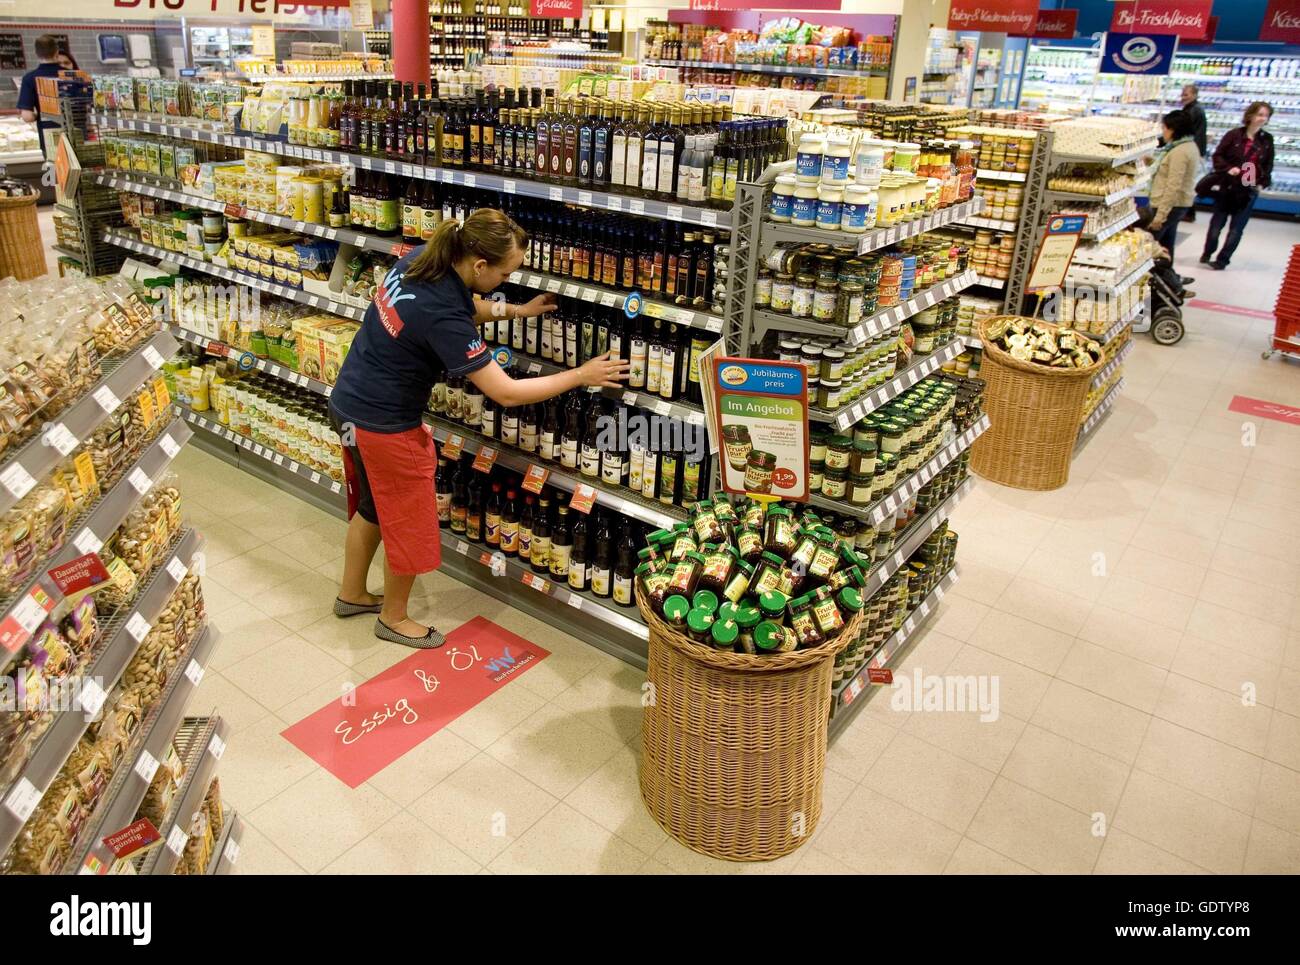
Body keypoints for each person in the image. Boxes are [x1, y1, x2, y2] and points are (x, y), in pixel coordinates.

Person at [327, 209, 630, 647]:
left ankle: (352, 594)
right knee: (409, 519)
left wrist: (518, 311)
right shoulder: (441, 315)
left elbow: (468, 305)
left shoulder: (421, 259)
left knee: (373, 508)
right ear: (480, 265)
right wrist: (580, 376)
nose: (505, 281)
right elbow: (505, 392)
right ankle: (393, 618)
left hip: (349, 405)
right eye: (505, 273)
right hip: (387, 426)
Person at [1201, 101, 1275, 271]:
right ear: (1250, 115)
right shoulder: (1234, 135)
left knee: (1236, 229)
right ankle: (1208, 251)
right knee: (1216, 225)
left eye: (1266, 115)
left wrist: (1262, 183)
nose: (1262, 118)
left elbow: (1269, 164)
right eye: (1260, 114)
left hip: (1248, 186)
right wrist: (1228, 168)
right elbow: (1218, 155)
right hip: (1228, 185)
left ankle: (1222, 260)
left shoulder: (1266, 140)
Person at [1145, 110, 1199, 259]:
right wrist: (1152, 162)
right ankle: (1169, 277)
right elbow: (1168, 170)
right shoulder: (1187, 146)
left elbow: (1173, 185)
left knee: (1150, 245)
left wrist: (1160, 216)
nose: (1163, 133)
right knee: (1167, 243)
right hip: (1177, 205)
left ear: (1173, 129)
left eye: (1164, 128)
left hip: (1169, 205)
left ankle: (1157, 277)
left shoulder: (1180, 152)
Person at [16, 35, 65, 158]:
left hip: (49, 137)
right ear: (57, 52)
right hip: (75, 134)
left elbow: (27, 116)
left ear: (37, 54)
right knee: (79, 175)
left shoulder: (29, 79)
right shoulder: (70, 75)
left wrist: (38, 115)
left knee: (55, 174)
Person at [1181, 84, 1207, 159]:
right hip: (1195, 148)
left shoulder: (1193, 110)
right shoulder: (1193, 108)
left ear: (1195, 95)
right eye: (1182, 95)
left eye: (1186, 95)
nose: (1183, 98)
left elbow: (1184, 129)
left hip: (1193, 149)